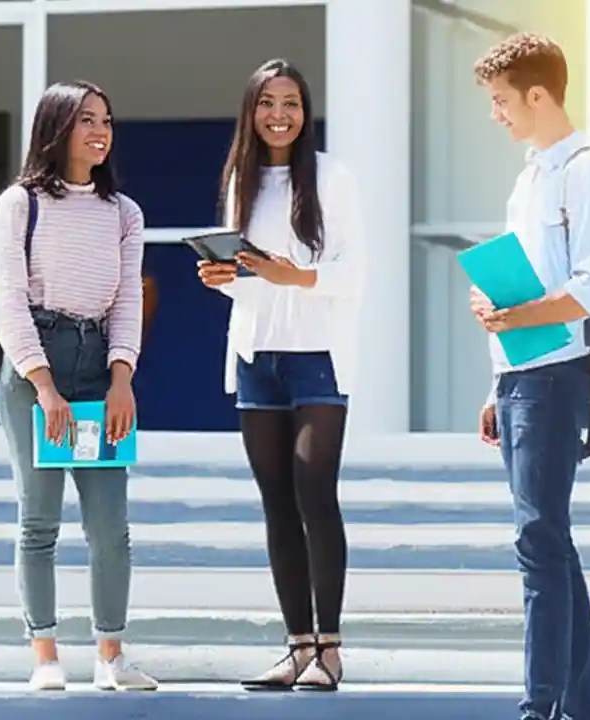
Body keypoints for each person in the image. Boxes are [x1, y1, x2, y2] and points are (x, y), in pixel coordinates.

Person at [196, 58, 365, 692]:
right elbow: (249, 284)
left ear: (305, 110)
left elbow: (356, 274)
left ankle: (330, 648)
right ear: (251, 110)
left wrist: (292, 275)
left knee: (314, 495)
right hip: (257, 357)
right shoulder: (240, 179)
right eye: (268, 102)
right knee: (275, 504)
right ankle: (296, 646)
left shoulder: (332, 177)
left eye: (290, 102)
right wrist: (225, 281)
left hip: (318, 356)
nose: (279, 114)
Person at [469, 34, 590, 720]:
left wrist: (514, 315)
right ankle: (582, 709)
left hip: (559, 381)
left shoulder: (588, 173)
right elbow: (525, 289)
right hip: (522, 380)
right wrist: (495, 379)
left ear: (538, 95)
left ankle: (540, 707)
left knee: (537, 542)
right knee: (550, 542)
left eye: (502, 101)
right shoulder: (529, 177)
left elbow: (588, 289)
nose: (495, 114)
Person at [0, 80, 157, 692]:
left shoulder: (124, 213)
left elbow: (127, 304)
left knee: (111, 524)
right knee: (39, 520)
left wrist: (122, 378)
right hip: (36, 362)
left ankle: (111, 655)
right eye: (87, 120)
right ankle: (45, 654)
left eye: (107, 120)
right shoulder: (19, 204)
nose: (101, 131)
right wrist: (45, 386)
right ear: (57, 128)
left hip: (99, 368)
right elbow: (7, 301)